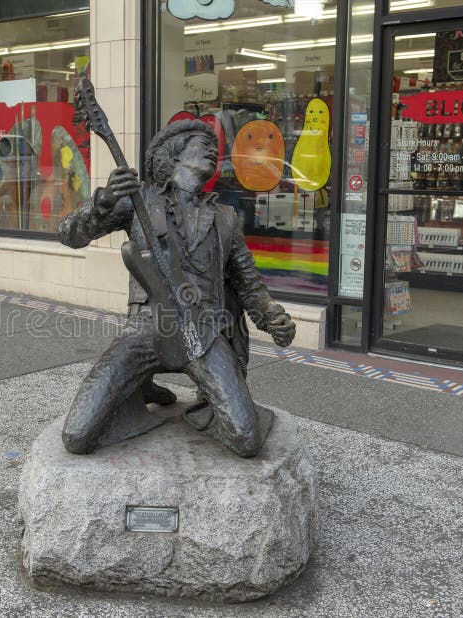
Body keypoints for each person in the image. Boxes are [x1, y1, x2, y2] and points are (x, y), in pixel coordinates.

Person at [58, 119, 295, 458]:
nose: (213, 149)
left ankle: (203, 405)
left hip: (204, 331)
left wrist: (272, 315)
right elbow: (69, 234)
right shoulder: (137, 202)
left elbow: (250, 285)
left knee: (246, 439)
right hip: (145, 329)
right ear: (174, 153)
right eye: (202, 143)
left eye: (215, 146)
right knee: (76, 436)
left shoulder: (226, 217)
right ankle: (138, 392)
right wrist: (104, 201)